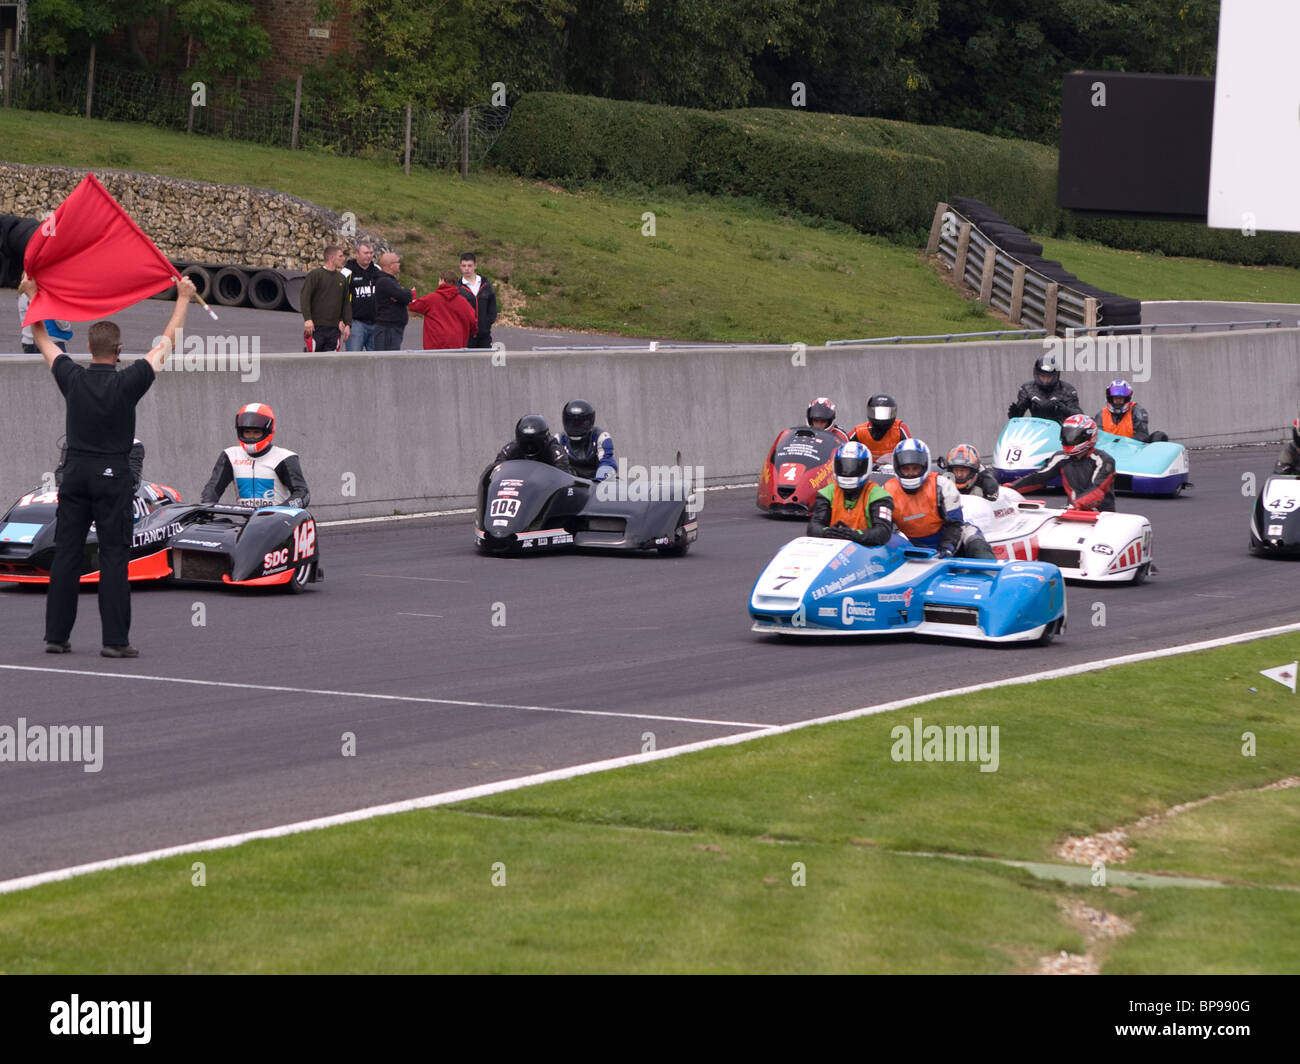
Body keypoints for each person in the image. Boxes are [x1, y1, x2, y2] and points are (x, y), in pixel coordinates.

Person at [19, 273, 197, 658]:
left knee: (66, 554)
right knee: (114, 556)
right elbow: (165, 344)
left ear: (88, 346)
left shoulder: (72, 378)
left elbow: (43, 339)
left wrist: (34, 298)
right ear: (118, 349)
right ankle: (115, 641)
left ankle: (56, 637)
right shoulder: (129, 381)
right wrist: (182, 298)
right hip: (113, 476)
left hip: (76, 474)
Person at [884, 438, 992, 558]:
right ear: (897, 468)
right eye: (906, 469)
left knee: (974, 539)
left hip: (948, 541)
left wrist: (948, 548)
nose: (910, 473)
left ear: (924, 466)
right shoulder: (886, 491)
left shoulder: (943, 485)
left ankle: (993, 572)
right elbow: (884, 529)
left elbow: (955, 524)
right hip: (909, 546)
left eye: (915, 468)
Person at [200, 403, 311, 508]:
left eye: (256, 432)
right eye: (247, 432)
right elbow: (213, 488)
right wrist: (207, 508)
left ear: (267, 431)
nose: (251, 436)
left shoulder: (284, 457)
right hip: (246, 521)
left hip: (278, 520)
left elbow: (302, 493)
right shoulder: (230, 455)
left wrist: (283, 510)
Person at [1010, 414, 1116, 511]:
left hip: (1102, 516)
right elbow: (1039, 477)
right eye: (1067, 434)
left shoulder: (1104, 460)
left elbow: (1098, 490)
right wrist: (1009, 488)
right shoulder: (1061, 457)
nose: (1069, 439)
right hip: (1073, 513)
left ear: (1088, 435)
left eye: (1074, 435)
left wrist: (1075, 505)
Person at [807, 442, 894, 545]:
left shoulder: (879, 496)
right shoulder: (827, 492)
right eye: (843, 466)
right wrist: (826, 532)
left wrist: (856, 535)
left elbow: (883, 532)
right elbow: (814, 526)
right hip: (833, 547)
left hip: (867, 549)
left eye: (854, 467)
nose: (848, 472)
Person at [408, 270, 478, 349]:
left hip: (434, 344)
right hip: (457, 343)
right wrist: (473, 333)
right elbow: (473, 320)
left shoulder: (432, 299)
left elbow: (413, 306)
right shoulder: (463, 301)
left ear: (442, 280)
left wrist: (412, 294)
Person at [300, 245, 352, 352]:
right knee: (313, 360)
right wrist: (307, 319)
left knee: (331, 362)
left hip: (334, 330)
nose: (343, 259)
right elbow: (305, 297)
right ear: (331, 258)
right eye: (340, 256)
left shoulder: (342, 278)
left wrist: (347, 324)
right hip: (316, 327)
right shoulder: (315, 275)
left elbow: (346, 303)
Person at [1008, 354, 1082, 424]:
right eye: (1043, 377)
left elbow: (1080, 415)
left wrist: (1065, 410)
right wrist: (1015, 413)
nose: (1045, 380)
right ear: (1037, 374)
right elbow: (1017, 418)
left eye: (1049, 377)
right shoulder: (1027, 389)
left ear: (1055, 376)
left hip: (1060, 432)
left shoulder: (1067, 390)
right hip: (1036, 431)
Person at [1094, 379, 1168, 443]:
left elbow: (1142, 435)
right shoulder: (1101, 415)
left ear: (1126, 398)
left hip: (1133, 450)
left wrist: (1122, 442)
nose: (1118, 401)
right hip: (1108, 451)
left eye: (1121, 398)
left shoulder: (1137, 411)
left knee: (1159, 436)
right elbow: (1098, 438)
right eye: (1115, 398)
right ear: (1110, 399)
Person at [559, 399, 616, 481]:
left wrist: (600, 481)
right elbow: (554, 467)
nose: (576, 428)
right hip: (570, 484)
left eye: (580, 424)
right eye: (571, 423)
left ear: (590, 422)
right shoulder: (559, 440)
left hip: (595, 484)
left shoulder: (601, 437)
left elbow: (607, 461)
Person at [493, 414, 572, 472]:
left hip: (546, 488)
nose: (529, 447)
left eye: (534, 444)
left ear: (544, 440)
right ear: (519, 440)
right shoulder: (510, 449)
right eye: (525, 443)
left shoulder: (554, 449)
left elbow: (564, 472)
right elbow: (495, 469)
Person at [849, 393, 911, 462]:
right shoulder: (859, 431)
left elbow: (910, 449)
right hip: (867, 471)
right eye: (879, 413)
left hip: (893, 470)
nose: (882, 418)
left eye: (885, 413)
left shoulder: (899, 428)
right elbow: (843, 448)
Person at [371, 251, 415, 351]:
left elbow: (402, 296)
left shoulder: (390, 280)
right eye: (397, 262)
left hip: (392, 329)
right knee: (387, 361)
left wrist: (401, 295)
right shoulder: (385, 281)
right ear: (390, 265)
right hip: (388, 329)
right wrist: (406, 293)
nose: (399, 264)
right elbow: (407, 296)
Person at [344, 242, 382, 352]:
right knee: (354, 360)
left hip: (376, 322)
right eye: (366, 253)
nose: (369, 256)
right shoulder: (347, 272)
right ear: (357, 254)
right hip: (356, 323)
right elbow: (341, 298)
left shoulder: (377, 270)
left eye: (371, 253)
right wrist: (344, 321)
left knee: (376, 360)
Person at [457, 252, 498, 349]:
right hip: (466, 336)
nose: (467, 268)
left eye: (469, 265)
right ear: (460, 267)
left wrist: (487, 323)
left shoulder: (486, 285)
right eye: (464, 266)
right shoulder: (457, 288)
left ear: (475, 266)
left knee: (485, 362)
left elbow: (492, 307)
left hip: (484, 335)